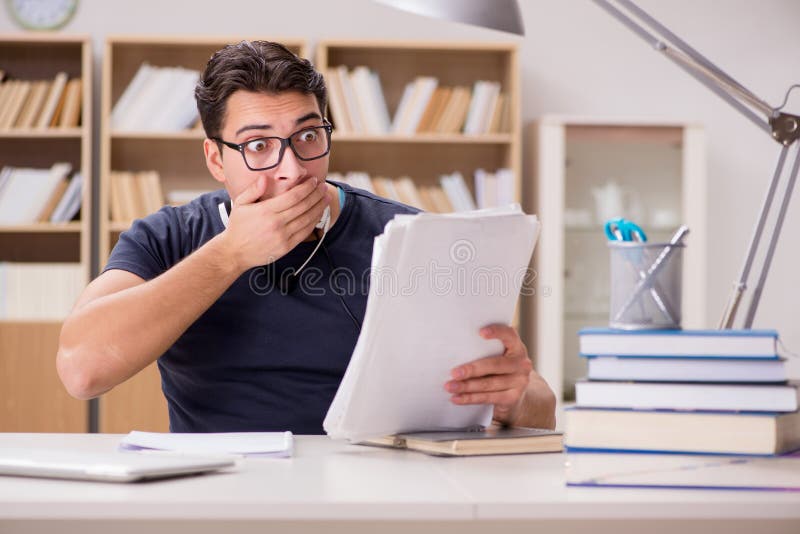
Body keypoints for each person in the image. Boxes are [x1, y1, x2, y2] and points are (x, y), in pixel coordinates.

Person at [56, 40, 555, 434]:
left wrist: (514, 400)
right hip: (219, 498)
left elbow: (540, 404)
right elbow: (82, 370)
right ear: (216, 160)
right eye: (258, 145)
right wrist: (230, 255)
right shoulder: (167, 237)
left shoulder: (412, 238)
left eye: (308, 136)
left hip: (372, 498)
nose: (292, 169)